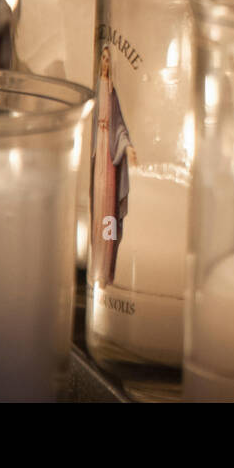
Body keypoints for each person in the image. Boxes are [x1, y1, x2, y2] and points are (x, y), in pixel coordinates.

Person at [90, 45, 135, 289]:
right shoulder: (97, 90)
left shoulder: (111, 92)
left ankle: (105, 266)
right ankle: (95, 259)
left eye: (109, 59)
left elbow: (120, 126)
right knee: (98, 207)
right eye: (103, 58)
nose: (106, 63)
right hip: (98, 151)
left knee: (108, 209)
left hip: (109, 156)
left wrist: (126, 145)